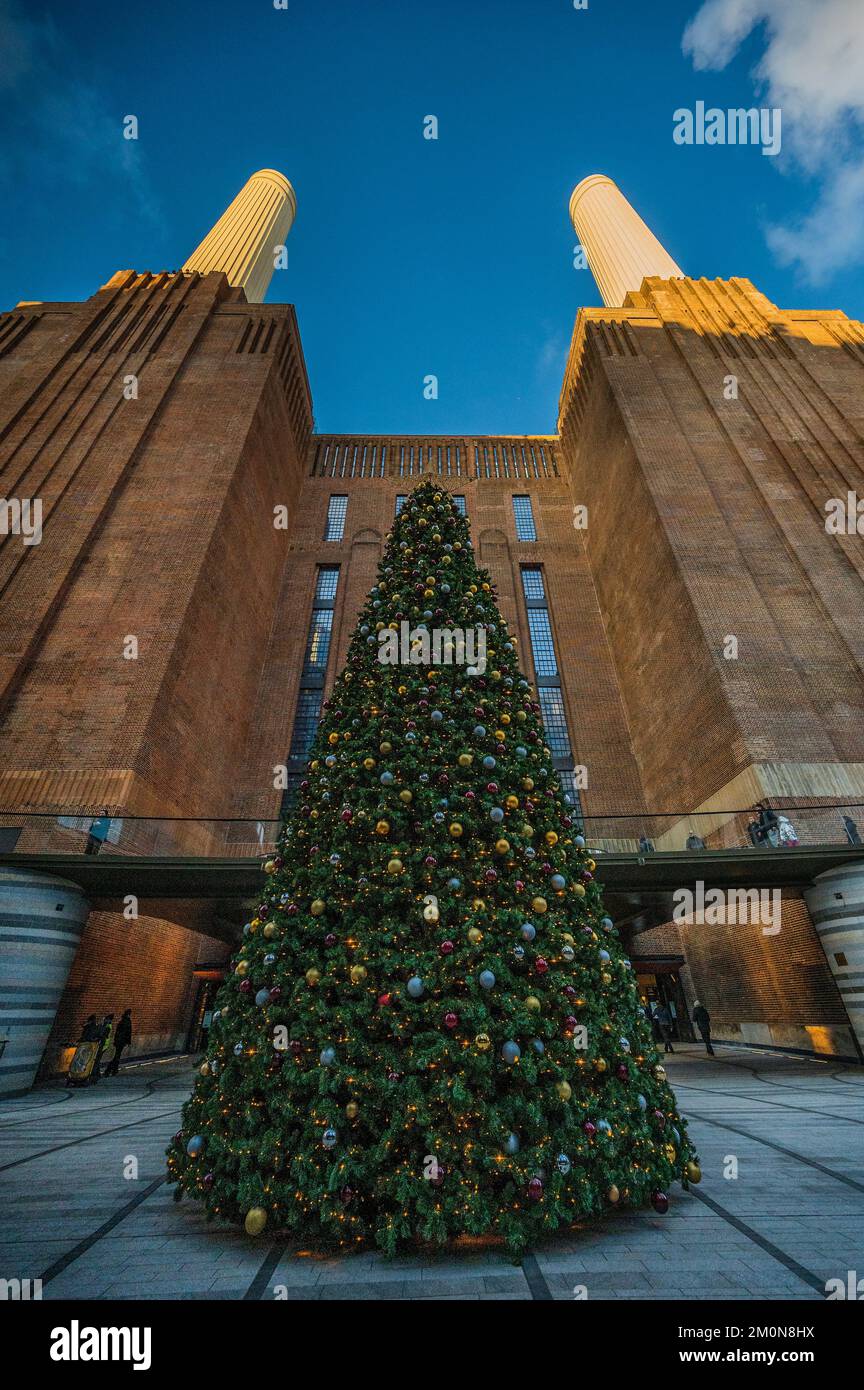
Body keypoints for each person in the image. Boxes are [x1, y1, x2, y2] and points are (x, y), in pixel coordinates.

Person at [104, 1009, 132, 1076]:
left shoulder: (121, 1022)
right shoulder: (128, 1022)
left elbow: (117, 1032)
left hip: (118, 1041)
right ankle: (110, 1069)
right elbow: (128, 1032)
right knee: (117, 1056)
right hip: (122, 1041)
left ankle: (112, 1070)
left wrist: (115, 1040)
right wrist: (128, 1041)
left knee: (117, 1056)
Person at [91, 1013, 114, 1082]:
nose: (104, 1020)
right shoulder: (107, 1025)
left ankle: (95, 1074)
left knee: (97, 1060)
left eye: (105, 1019)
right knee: (97, 1060)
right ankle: (97, 1074)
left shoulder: (108, 1026)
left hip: (103, 1045)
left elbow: (104, 1035)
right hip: (103, 1044)